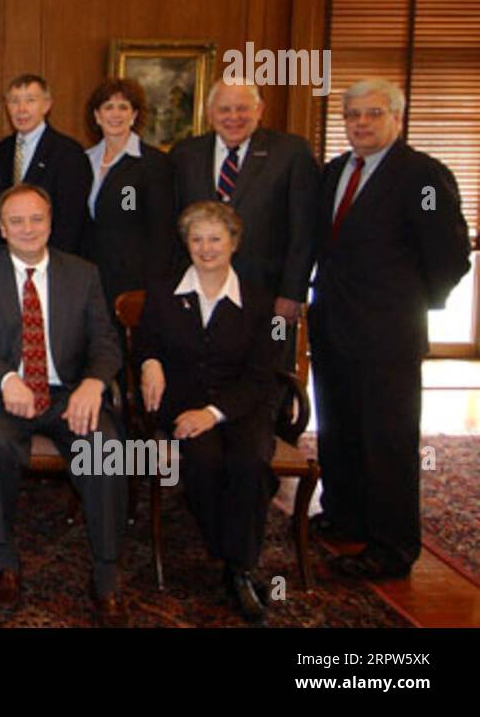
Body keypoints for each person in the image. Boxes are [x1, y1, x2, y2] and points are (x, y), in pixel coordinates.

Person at [310, 79, 470, 579]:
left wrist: (410, 302)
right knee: (339, 426)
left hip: (388, 331)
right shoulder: (336, 170)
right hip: (333, 322)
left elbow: (449, 254)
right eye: (352, 115)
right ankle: (344, 516)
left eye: (373, 114)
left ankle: (391, 546)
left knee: (388, 438)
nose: (361, 123)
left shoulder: (422, 177)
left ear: (397, 119)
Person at [0, 183, 126, 624]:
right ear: (1, 228)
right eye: (16, 221)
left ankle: (105, 571)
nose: (28, 228)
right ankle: (5, 558)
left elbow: (106, 342)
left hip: (69, 393)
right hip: (3, 393)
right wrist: (6, 377)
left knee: (105, 450)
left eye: (36, 219)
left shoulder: (83, 274)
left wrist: (93, 383)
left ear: (50, 223)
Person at [134, 201, 282, 622]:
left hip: (241, 407)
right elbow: (145, 342)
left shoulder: (260, 302)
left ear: (234, 243)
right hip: (181, 404)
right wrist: (150, 362)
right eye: (197, 239)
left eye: (216, 238)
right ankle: (235, 558)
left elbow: (262, 376)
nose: (206, 247)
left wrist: (214, 412)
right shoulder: (164, 293)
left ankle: (239, 566)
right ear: (187, 244)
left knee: (250, 462)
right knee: (204, 461)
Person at [169, 79, 319, 359]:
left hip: (272, 294)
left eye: (242, 109)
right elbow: (175, 226)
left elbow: (305, 229)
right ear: (210, 113)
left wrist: (293, 292)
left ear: (259, 110)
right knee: (210, 364)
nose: (233, 117)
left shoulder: (291, 152)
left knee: (273, 367)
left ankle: (280, 406)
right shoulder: (185, 154)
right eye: (225, 109)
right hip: (202, 289)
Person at [80, 77, 176, 310]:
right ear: (97, 116)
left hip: (133, 278)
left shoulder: (152, 164)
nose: (116, 114)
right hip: (89, 273)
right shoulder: (83, 160)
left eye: (123, 107)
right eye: (108, 107)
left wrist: (153, 286)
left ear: (134, 115)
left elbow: (162, 233)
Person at [0, 74, 91, 255]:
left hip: (55, 259)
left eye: (30, 101)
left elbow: (71, 220)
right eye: (14, 101)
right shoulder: (2, 150)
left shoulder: (69, 153)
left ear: (46, 106)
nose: (21, 109)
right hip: (11, 258)